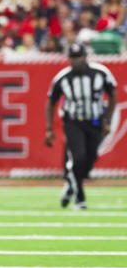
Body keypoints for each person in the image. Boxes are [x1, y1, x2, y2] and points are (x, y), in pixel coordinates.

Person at [45, 43, 116, 210]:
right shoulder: (63, 77)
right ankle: (79, 198)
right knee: (78, 157)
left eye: (79, 57)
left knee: (90, 159)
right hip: (73, 121)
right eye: (73, 58)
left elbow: (113, 94)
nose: (76, 61)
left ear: (85, 57)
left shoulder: (100, 73)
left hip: (95, 121)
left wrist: (108, 121)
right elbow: (51, 101)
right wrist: (49, 128)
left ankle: (71, 185)